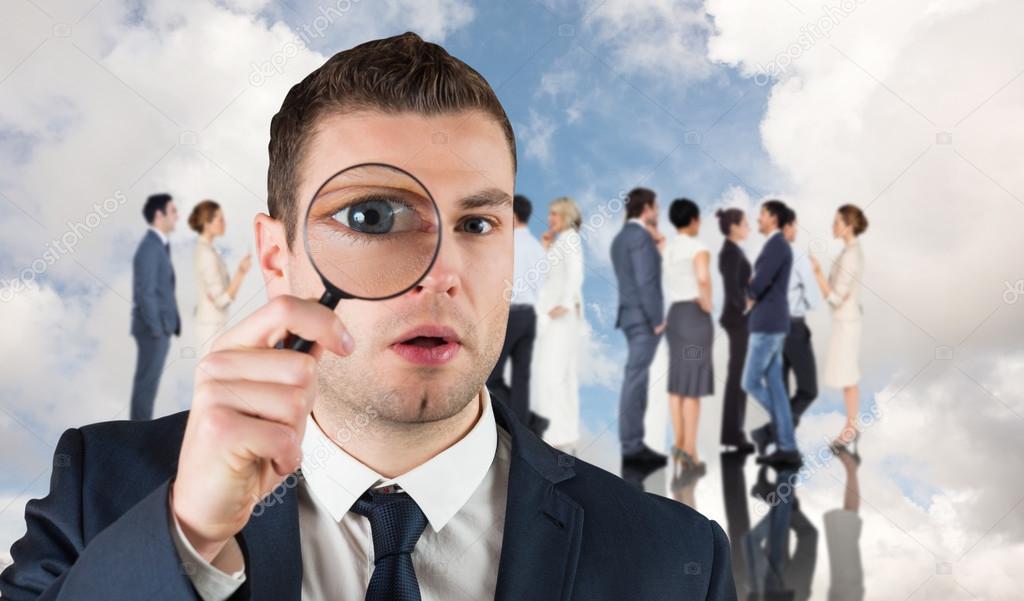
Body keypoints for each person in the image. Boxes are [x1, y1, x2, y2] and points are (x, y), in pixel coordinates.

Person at [1, 33, 736, 601]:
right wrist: (187, 541)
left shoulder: (674, 558)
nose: (442, 273)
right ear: (276, 255)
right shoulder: (103, 490)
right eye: (371, 216)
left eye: (477, 224)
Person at [750, 207, 819, 455]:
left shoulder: (767, 256)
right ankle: (771, 435)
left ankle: (776, 441)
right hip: (793, 327)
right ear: (786, 226)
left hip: (773, 328)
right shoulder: (796, 257)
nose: (796, 231)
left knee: (780, 390)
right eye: (795, 225)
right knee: (807, 390)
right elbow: (813, 299)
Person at [610, 187, 670, 470]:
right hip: (643, 318)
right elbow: (646, 281)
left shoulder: (622, 237)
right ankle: (632, 447)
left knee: (638, 377)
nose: (658, 211)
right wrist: (657, 318)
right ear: (647, 208)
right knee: (636, 379)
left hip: (629, 314)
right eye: (655, 206)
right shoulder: (640, 237)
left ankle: (634, 443)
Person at [742, 200, 799, 467]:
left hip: (767, 325)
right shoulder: (778, 245)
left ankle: (784, 426)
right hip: (773, 323)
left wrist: (746, 288)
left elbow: (759, 284)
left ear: (774, 218)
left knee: (750, 382)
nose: (758, 219)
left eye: (762, 214)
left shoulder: (776, 245)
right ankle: (787, 446)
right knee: (775, 385)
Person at [487, 194, 549, 436]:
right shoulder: (537, 247)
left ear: (513, 215)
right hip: (529, 315)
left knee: (491, 376)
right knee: (522, 377)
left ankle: (525, 421)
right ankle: (525, 427)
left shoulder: (508, 244)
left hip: (510, 314)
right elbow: (542, 283)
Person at [810, 204, 867, 452]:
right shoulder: (848, 251)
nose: (832, 226)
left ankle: (851, 428)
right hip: (845, 319)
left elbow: (835, 298)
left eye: (837, 222)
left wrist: (817, 274)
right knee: (847, 374)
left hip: (846, 321)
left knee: (848, 374)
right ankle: (851, 426)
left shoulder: (852, 255)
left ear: (849, 226)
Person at [662, 198, 713, 474]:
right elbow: (703, 278)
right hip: (694, 313)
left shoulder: (669, 249)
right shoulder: (697, 247)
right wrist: (707, 302)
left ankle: (678, 442)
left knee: (677, 382)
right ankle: (690, 450)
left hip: (675, 315)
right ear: (693, 220)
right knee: (693, 385)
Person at [531, 197, 584, 452]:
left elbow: (575, 273)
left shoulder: (570, 239)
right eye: (550, 213)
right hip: (551, 314)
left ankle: (558, 436)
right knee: (549, 372)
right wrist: (545, 248)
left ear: (566, 215)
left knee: (552, 372)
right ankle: (556, 433)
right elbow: (547, 276)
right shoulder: (559, 241)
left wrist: (565, 303)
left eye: (554, 214)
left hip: (560, 316)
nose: (550, 218)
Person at [128, 193, 181, 421]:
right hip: (152, 329)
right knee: (146, 386)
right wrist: (157, 328)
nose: (177, 216)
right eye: (173, 211)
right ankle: (138, 432)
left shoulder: (159, 246)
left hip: (159, 328)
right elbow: (145, 292)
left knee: (149, 385)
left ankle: (140, 429)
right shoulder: (150, 247)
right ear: (159, 215)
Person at [188, 200, 252, 357]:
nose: (225, 223)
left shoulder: (207, 251)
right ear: (207, 224)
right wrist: (241, 272)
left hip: (211, 324)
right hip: (211, 327)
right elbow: (222, 300)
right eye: (220, 219)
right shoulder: (207, 255)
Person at [716, 208, 755, 454]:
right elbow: (732, 286)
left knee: (740, 375)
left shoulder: (734, 251)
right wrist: (745, 305)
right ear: (733, 227)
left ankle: (734, 432)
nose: (748, 227)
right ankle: (733, 433)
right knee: (738, 375)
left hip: (739, 318)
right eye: (745, 223)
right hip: (737, 318)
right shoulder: (730, 252)